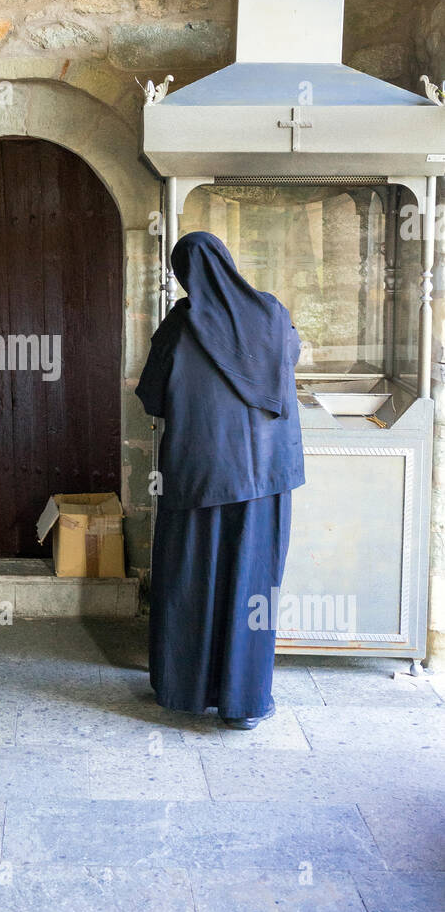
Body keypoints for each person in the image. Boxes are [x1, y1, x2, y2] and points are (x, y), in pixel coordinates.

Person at [135, 231, 305, 729]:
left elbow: (152, 397)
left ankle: (183, 689)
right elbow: (286, 365)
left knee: (192, 581)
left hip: (200, 478)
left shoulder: (180, 326)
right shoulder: (273, 314)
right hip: (268, 483)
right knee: (253, 587)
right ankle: (245, 705)